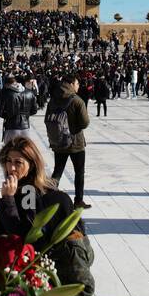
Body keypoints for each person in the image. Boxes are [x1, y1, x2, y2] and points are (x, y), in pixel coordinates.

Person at [0, 135, 95, 296]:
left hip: (60, 279)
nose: (11, 168)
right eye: (8, 161)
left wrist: (7, 200)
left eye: (18, 162)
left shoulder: (29, 192)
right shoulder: (25, 187)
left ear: (31, 164)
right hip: (57, 276)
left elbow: (25, 236)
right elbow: (1, 224)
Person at [46, 76, 91, 210]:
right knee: (79, 172)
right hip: (76, 143)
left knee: (57, 171)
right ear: (71, 84)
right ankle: (78, 200)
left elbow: (47, 119)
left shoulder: (53, 99)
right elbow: (85, 122)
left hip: (58, 141)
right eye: (77, 83)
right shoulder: (77, 101)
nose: (78, 86)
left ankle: (49, 197)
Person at [0, 74, 38, 144]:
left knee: (10, 152)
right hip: (25, 127)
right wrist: (25, 115)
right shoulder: (30, 93)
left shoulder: (6, 93)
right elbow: (34, 110)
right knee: (23, 152)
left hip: (11, 127)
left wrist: (8, 116)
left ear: (7, 84)